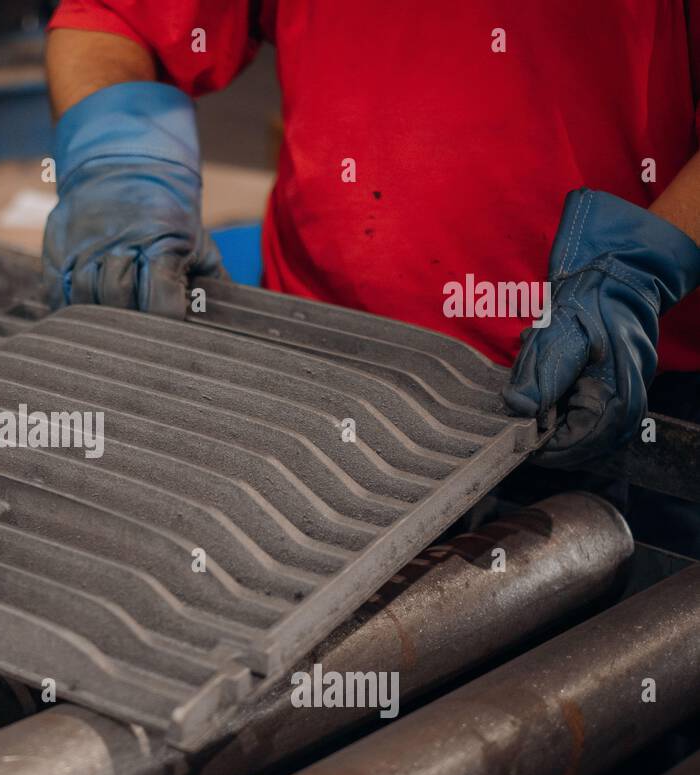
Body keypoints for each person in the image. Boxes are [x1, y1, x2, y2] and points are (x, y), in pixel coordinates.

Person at [41, 1, 700, 508]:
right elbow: (118, 19)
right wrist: (119, 163)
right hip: (310, 380)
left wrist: (639, 269)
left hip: (619, 403)